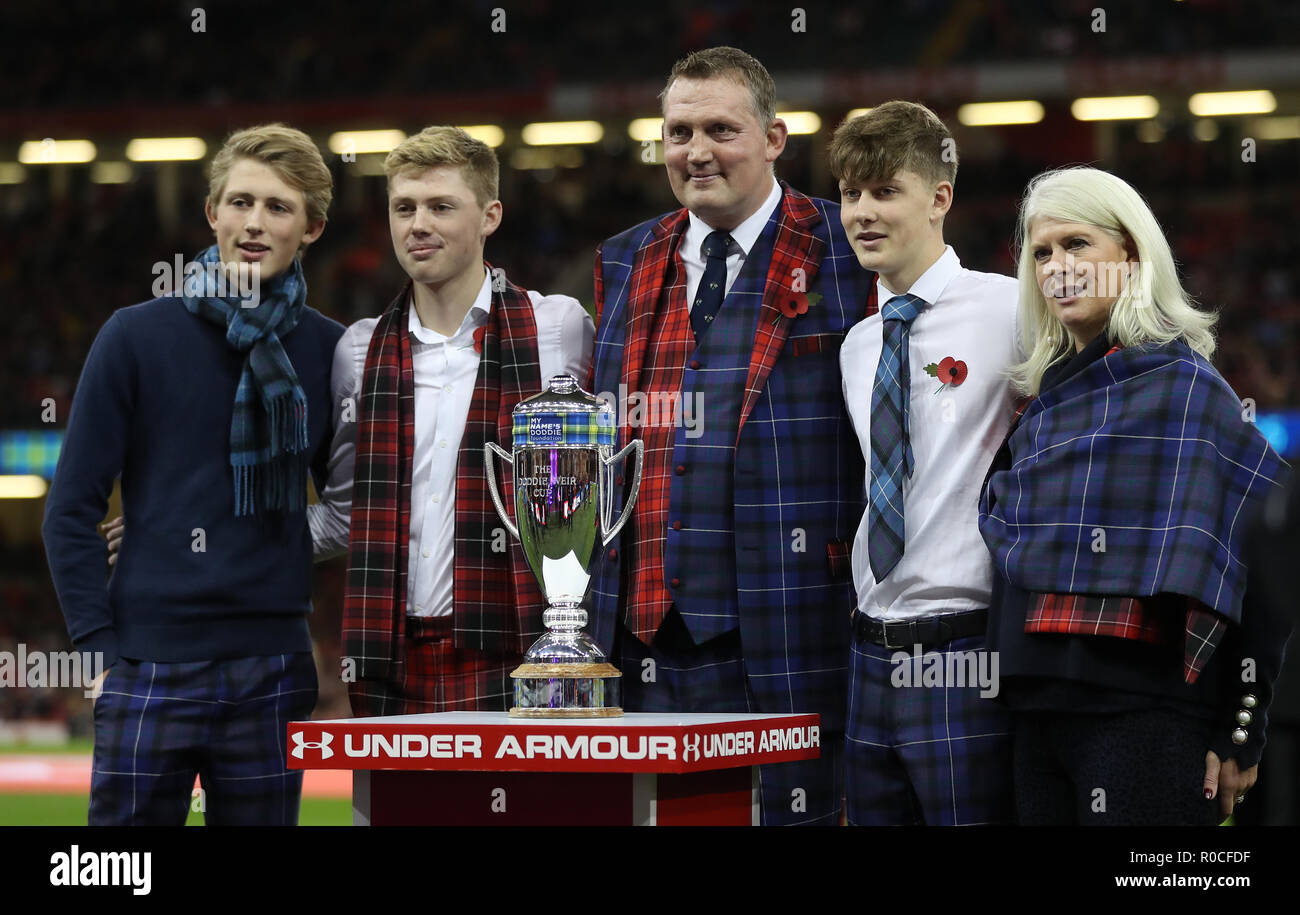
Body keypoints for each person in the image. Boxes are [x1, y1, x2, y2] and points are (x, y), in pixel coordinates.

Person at [588, 47, 872, 825]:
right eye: (679, 131)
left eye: (721, 128)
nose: (696, 151)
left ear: (775, 138)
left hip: (788, 630)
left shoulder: (849, 250)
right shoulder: (624, 256)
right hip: (637, 637)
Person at [43, 124, 340, 825]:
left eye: (277, 207)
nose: (254, 224)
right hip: (146, 663)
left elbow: (351, 506)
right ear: (211, 213)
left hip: (274, 666)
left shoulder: (332, 349)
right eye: (239, 202)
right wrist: (100, 654)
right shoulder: (134, 335)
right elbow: (69, 510)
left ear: (313, 227)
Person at [978, 166, 1292, 825]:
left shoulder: (1188, 391)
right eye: (1041, 252)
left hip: (1148, 724)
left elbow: (1264, 570)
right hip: (1032, 719)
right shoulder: (1041, 403)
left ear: (1130, 254)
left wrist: (1243, 728)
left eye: (1077, 244)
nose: (1058, 266)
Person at [315, 126, 593, 716]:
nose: (419, 224)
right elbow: (345, 515)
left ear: (490, 215)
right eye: (404, 207)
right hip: (385, 651)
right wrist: (194, 538)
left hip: (518, 641)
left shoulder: (557, 328)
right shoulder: (357, 350)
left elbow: (592, 493)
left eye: (441, 207)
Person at [831, 102, 1020, 825]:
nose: (862, 213)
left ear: (940, 198)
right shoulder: (856, 344)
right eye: (851, 194)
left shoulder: (1011, 310)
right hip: (868, 650)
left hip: (964, 647)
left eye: (884, 191)